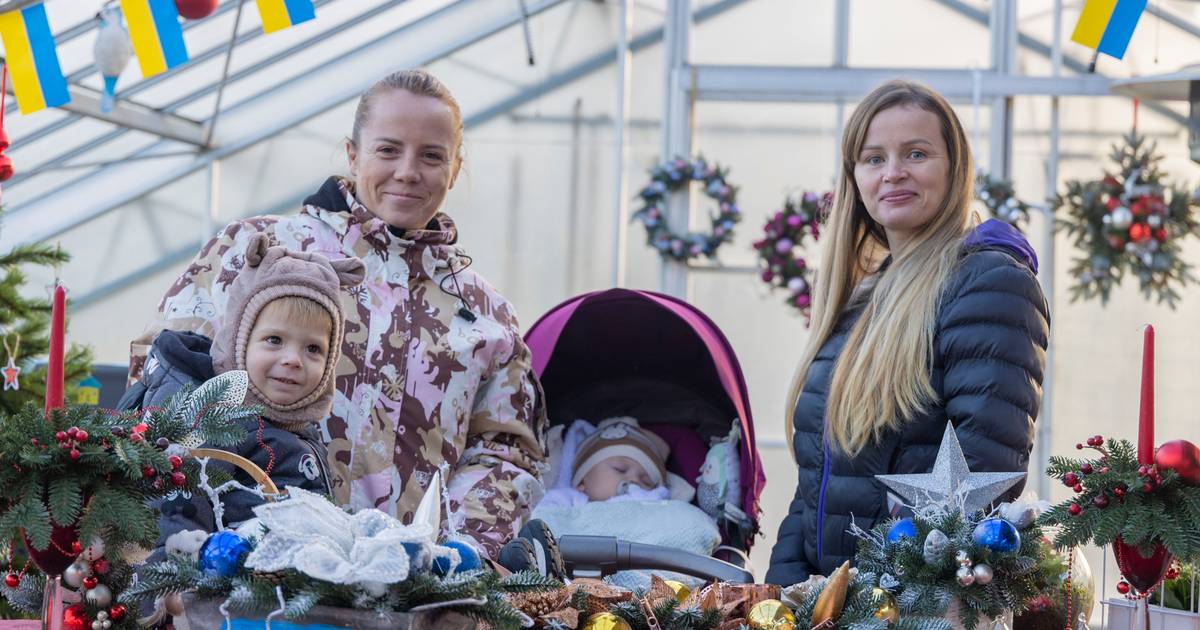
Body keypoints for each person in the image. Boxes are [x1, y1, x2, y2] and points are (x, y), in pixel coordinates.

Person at [129, 70, 547, 560]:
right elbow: (164, 387)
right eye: (388, 150)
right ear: (352, 154)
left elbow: (507, 454)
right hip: (252, 578)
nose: (408, 171)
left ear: (455, 168)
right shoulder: (253, 251)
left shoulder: (485, 314)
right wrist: (218, 530)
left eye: (431, 156)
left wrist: (450, 554)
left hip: (411, 598)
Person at [765, 80, 1050, 586]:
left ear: (954, 168)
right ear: (854, 177)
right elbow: (817, 480)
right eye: (874, 158)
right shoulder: (861, 298)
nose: (893, 172)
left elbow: (978, 479)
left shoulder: (988, 284)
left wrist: (882, 602)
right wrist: (785, 591)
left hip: (909, 606)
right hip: (829, 606)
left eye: (916, 153)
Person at [137, 235, 365, 563]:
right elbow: (176, 519)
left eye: (313, 348)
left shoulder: (296, 427)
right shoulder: (212, 421)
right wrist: (171, 594)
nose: (293, 359)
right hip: (218, 603)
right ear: (238, 343)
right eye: (274, 340)